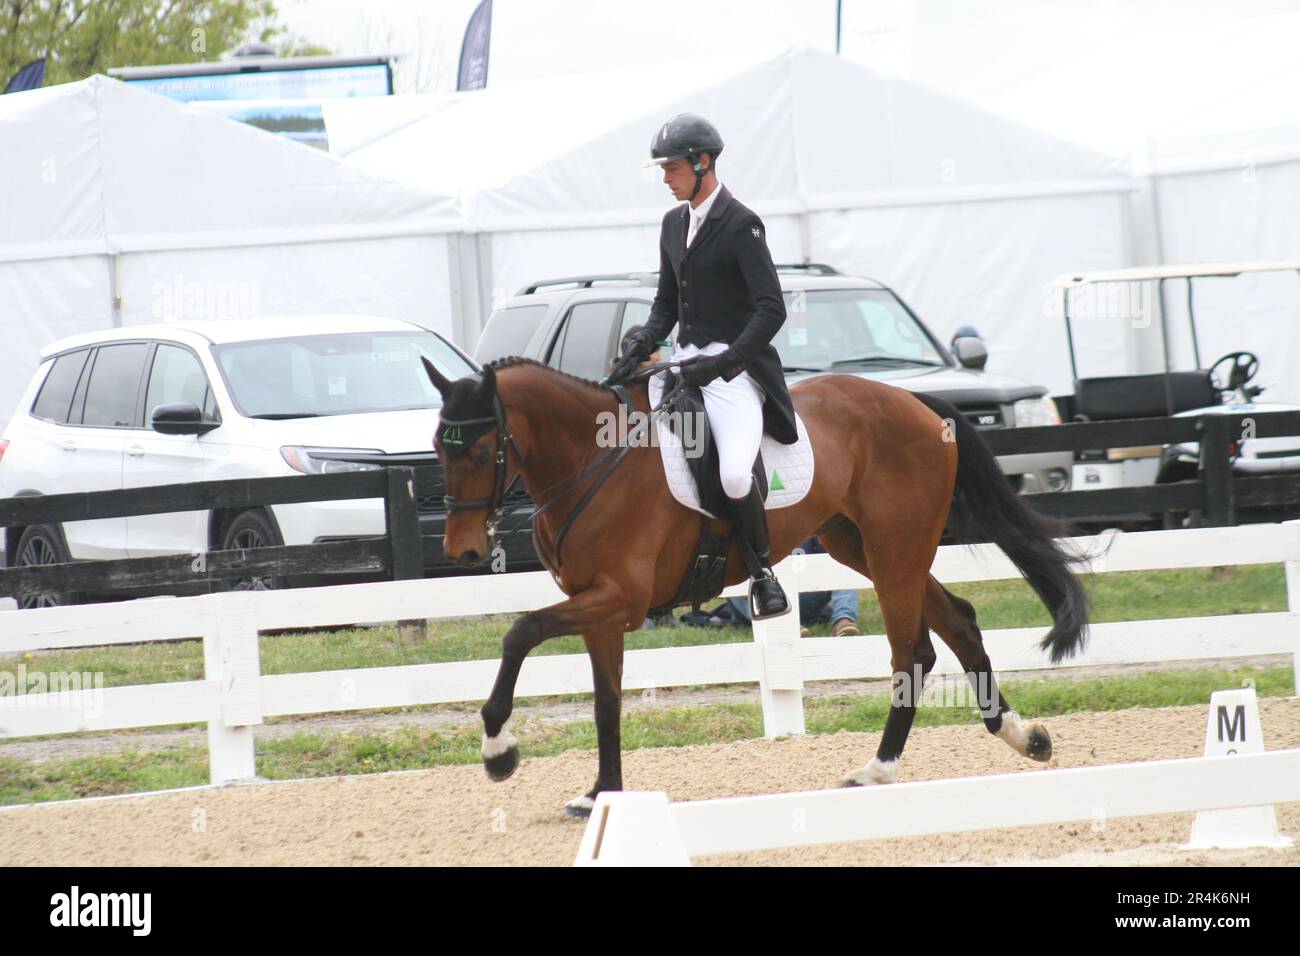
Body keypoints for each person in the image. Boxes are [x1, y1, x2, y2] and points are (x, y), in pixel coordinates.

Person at [610, 113, 799, 620]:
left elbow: (771, 308)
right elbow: (666, 304)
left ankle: (763, 575)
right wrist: (644, 342)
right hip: (682, 367)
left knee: (736, 475)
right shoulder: (673, 224)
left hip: (734, 375)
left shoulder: (741, 223)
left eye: (671, 169)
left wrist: (726, 362)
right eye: (663, 170)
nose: (665, 179)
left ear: (703, 163)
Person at [723, 536, 861, 636]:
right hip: (769, 603)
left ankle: (844, 620)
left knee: (844, 569)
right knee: (737, 589)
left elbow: (830, 563)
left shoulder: (806, 527)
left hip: (806, 596)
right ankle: (787, 625)